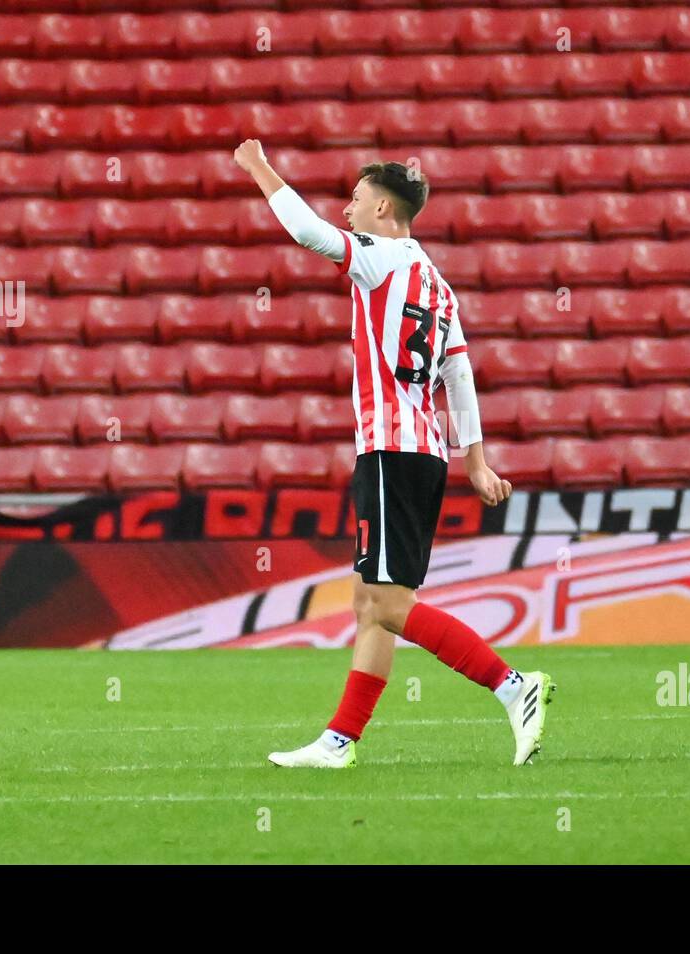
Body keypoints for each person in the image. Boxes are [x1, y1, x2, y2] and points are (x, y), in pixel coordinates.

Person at [233, 140, 555, 768]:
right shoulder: (437, 284)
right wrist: (476, 462)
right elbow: (459, 376)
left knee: (388, 604)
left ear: (383, 209)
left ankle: (514, 687)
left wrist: (258, 167)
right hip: (423, 454)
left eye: (355, 200)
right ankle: (340, 740)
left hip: (390, 450)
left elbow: (306, 233)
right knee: (370, 601)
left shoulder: (379, 259)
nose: (346, 210)